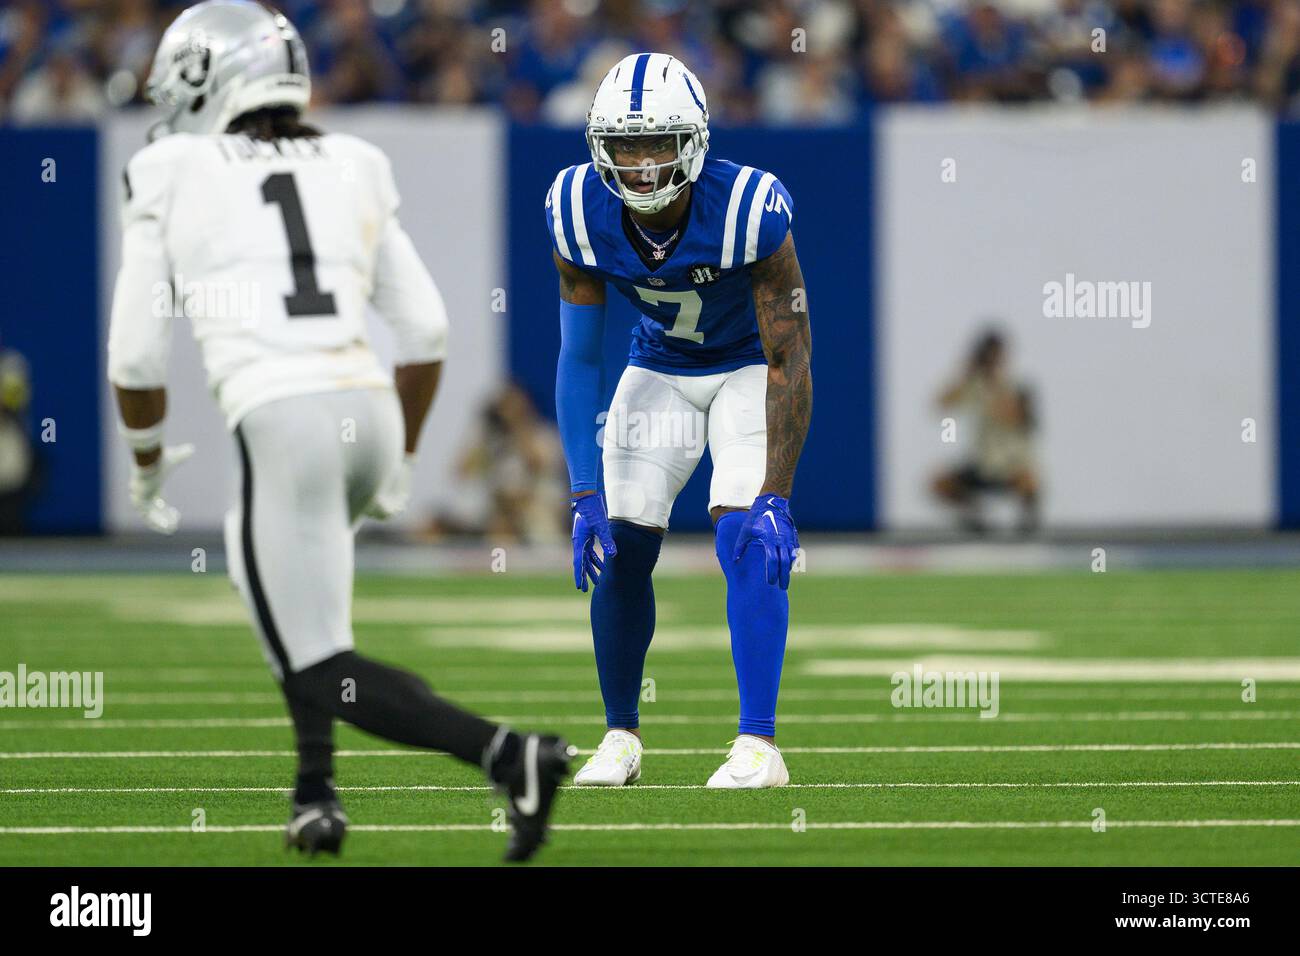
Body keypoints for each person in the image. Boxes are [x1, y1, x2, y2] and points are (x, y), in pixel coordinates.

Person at [106, 0, 570, 862]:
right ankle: (315, 793)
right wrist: (403, 455)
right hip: (368, 406)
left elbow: (134, 355)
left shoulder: (172, 166)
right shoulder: (353, 158)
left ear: (211, 79)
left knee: (315, 657)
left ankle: (511, 756)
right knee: (304, 615)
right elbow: (426, 330)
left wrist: (144, 460)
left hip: (282, 419)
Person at [548, 53, 812, 788]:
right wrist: (582, 491)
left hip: (747, 366)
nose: (639, 163)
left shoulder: (747, 208)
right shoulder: (576, 210)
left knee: (746, 536)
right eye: (624, 144)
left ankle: (759, 745)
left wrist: (777, 496)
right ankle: (619, 737)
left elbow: (792, 357)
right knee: (622, 541)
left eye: (657, 142)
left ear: (692, 140)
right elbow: (578, 358)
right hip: (659, 366)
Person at [932, 329, 1040, 535]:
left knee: (1029, 479)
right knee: (940, 483)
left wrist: (994, 390)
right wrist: (966, 375)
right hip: (982, 464)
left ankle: (1027, 529)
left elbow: (1021, 419)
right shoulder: (975, 385)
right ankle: (977, 519)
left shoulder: (1016, 387)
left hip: (1010, 465)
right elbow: (942, 403)